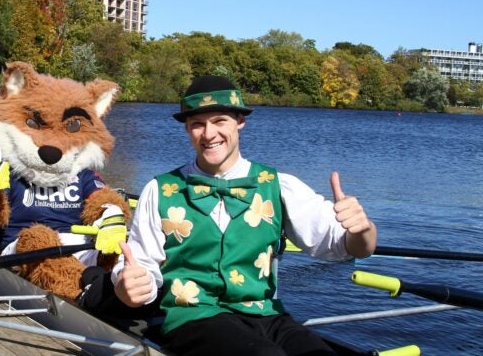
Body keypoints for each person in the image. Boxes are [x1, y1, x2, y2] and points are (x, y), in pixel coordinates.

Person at [111, 75, 378, 356]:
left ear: (240, 121)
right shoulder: (160, 190)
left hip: (266, 314)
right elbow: (141, 268)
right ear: (187, 130)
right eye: (197, 124)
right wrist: (127, 287)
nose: (208, 134)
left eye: (220, 121)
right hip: (192, 317)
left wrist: (362, 230)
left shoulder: (279, 185)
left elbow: (349, 248)